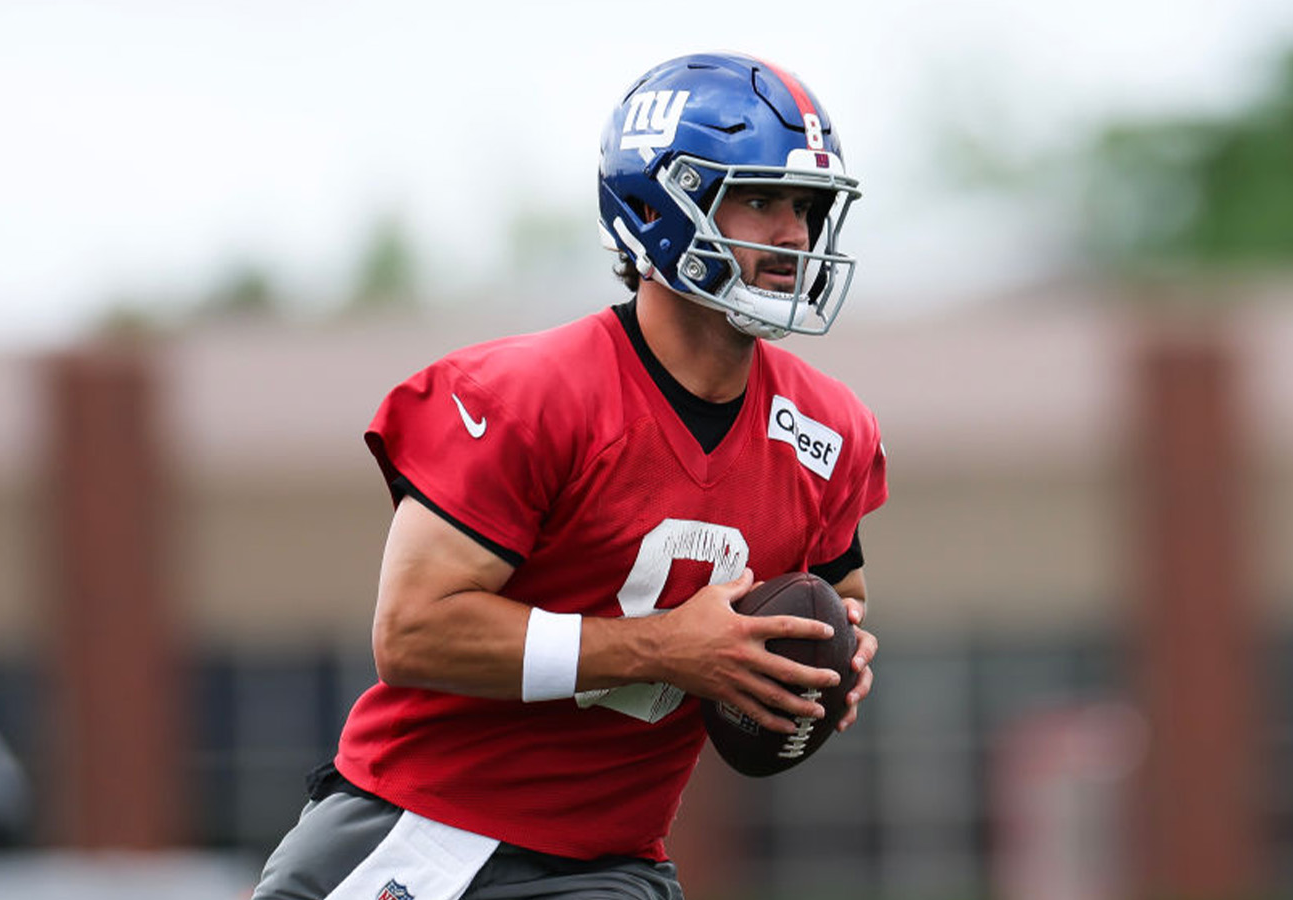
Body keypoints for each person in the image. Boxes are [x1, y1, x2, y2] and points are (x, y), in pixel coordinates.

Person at [251, 51, 888, 900]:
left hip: (609, 861)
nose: (794, 237)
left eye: (805, 207)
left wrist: (826, 661)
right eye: (762, 200)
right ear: (660, 205)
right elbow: (412, 633)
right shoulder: (531, 397)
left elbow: (836, 599)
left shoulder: (827, 430)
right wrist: (666, 649)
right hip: (427, 831)